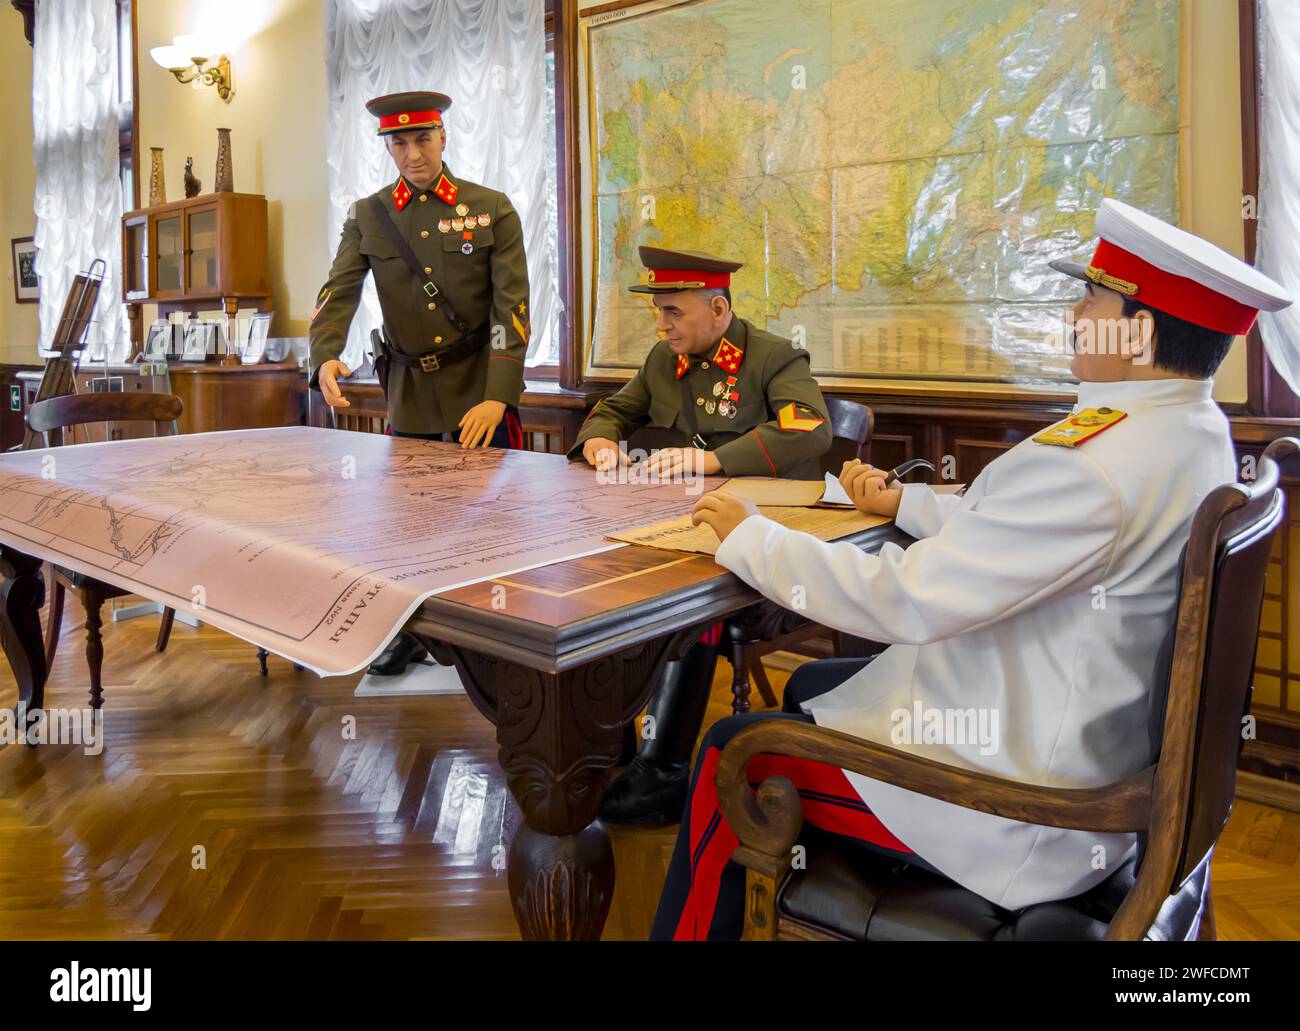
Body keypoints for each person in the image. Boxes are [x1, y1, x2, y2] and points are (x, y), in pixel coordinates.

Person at [653, 198, 1294, 939]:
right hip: (1075, 735)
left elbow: (907, 600)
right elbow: (1027, 536)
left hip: (1016, 804)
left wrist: (752, 537)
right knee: (811, 685)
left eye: (1091, 296)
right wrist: (908, 503)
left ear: (1139, 331)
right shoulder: (1190, 429)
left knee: (731, 752)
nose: (1074, 315)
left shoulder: (1098, 465)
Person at [569, 246, 832, 824]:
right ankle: (612, 741)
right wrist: (600, 440)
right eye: (658, 312)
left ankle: (663, 773)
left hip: (768, 537)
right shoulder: (665, 360)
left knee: (689, 602)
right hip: (688, 525)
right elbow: (612, 409)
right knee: (607, 585)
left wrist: (711, 461)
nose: (661, 326)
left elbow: (808, 428)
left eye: (673, 313)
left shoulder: (773, 356)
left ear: (718, 308)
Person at [309, 90, 531, 676]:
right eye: (399, 143)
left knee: (487, 523)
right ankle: (406, 633)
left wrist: (497, 395)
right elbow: (338, 291)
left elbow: (512, 310)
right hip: (409, 392)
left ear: (443, 138)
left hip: (477, 388)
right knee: (408, 526)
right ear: (387, 146)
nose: (412, 153)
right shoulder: (369, 214)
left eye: (422, 139)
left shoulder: (490, 209)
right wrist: (326, 355)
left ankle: (494, 644)